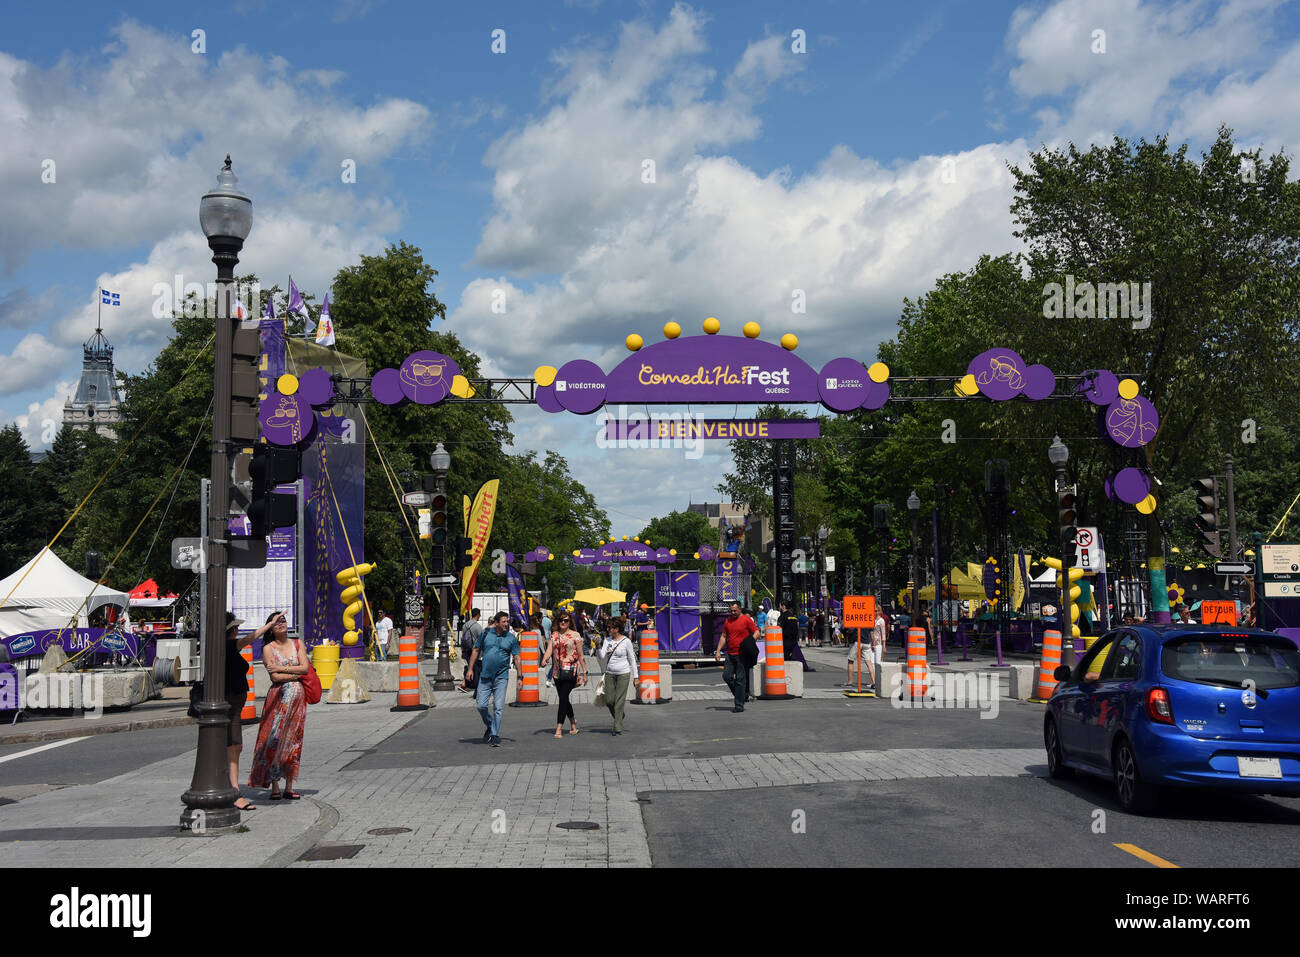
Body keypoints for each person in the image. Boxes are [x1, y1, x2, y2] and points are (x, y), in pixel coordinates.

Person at [249, 610, 308, 800]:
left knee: (294, 741)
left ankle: (289, 786)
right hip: (278, 698)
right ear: (271, 628)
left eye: (283, 620)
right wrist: (294, 673)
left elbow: (305, 669)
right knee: (274, 739)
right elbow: (274, 676)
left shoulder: (297, 643)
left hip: (298, 698)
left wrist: (283, 668)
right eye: (276, 622)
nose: (281, 624)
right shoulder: (268, 648)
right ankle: (274, 786)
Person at [224, 611, 277, 811]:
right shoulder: (229, 645)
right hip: (230, 705)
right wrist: (270, 624)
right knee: (234, 745)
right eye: (235, 627)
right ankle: (234, 791)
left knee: (233, 745)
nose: (238, 631)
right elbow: (252, 637)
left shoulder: (225, 647)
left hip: (233, 704)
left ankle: (231, 787)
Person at [465, 612, 520, 747]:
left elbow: (517, 657)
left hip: (501, 677)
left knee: (498, 707)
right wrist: (470, 669)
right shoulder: (485, 634)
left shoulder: (511, 638)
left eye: (507, 621)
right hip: (485, 676)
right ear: (496, 623)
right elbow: (476, 650)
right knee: (481, 705)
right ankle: (490, 725)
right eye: (504, 622)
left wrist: (520, 676)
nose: (507, 624)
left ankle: (495, 734)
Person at [541, 611, 586, 736]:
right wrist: (544, 659)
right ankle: (573, 724)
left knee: (563, 699)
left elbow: (581, 656)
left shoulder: (575, 635)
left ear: (570, 622)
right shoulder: (554, 635)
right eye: (561, 620)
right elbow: (549, 650)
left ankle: (559, 728)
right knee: (563, 698)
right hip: (557, 672)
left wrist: (585, 673)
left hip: (571, 671)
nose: (563, 622)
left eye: (566, 620)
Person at [715, 601, 759, 713]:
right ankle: (742, 694)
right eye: (731, 611)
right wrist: (718, 651)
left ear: (740, 609)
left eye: (735, 610)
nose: (733, 612)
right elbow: (723, 636)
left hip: (742, 655)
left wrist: (750, 641)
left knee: (740, 680)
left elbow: (757, 632)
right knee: (726, 676)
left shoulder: (746, 620)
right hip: (730, 654)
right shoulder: (728, 621)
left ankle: (739, 705)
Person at [597, 617, 638, 735]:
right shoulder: (607, 640)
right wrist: (598, 646)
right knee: (609, 700)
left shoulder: (626, 641)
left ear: (617, 629)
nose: (608, 629)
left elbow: (632, 660)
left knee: (619, 701)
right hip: (610, 673)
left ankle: (617, 726)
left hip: (623, 673)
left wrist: (636, 677)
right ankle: (620, 715)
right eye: (607, 627)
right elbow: (601, 656)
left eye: (610, 627)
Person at [778, 601, 813, 672]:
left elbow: (779, 629)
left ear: (783, 606)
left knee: (784, 656)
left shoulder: (782, 617)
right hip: (793, 640)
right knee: (799, 655)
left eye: (780, 606)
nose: (779, 607)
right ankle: (804, 667)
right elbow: (796, 628)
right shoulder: (793, 616)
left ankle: (784, 670)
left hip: (785, 640)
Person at [457, 608, 483, 693]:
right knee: (474, 667)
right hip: (474, 651)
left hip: (467, 649)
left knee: (470, 666)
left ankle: (465, 684)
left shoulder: (465, 625)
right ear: (478, 615)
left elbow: (462, 639)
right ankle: (466, 684)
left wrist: (463, 651)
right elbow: (482, 639)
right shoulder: (477, 626)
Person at [869, 607, 888, 693]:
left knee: (877, 662)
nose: (875, 612)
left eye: (876, 611)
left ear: (880, 611)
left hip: (878, 643)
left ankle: (878, 682)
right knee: (871, 662)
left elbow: (883, 633)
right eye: (874, 610)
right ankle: (874, 681)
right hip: (871, 643)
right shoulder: (872, 620)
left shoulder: (881, 621)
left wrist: (884, 645)